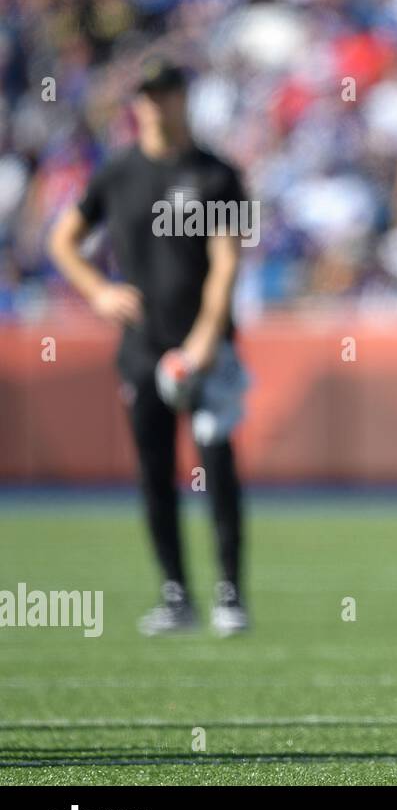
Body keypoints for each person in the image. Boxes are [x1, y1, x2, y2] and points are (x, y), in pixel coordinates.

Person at [48, 57, 250, 637]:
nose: (154, 104)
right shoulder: (117, 174)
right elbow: (63, 239)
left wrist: (208, 337)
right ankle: (174, 594)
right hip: (142, 344)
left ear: (183, 97)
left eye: (163, 92)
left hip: (205, 345)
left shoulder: (216, 173)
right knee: (154, 469)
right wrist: (98, 290)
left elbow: (226, 260)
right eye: (145, 94)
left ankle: (230, 592)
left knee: (217, 466)